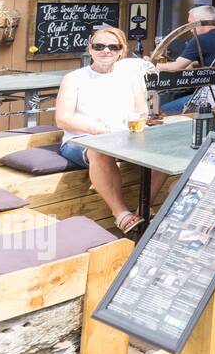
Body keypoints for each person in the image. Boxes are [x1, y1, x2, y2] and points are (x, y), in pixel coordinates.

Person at [56, 26, 169, 236]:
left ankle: (143, 207)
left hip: (123, 137)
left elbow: (141, 111)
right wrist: (98, 131)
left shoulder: (131, 78)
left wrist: (139, 121)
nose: (105, 51)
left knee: (164, 153)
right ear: (90, 49)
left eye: (112, 46)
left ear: (121, 51)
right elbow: (62, 118)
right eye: (99, 46)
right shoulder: (74, 78)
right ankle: (121, 215)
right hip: (82, 139)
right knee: (99, 151)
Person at [158, 6, 215, 113]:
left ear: (199, 22)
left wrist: (151, 64)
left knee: (163, 111)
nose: (191, 30)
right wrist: (196, 64)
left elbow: (176, 67)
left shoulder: (201, 39)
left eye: (191, 24)